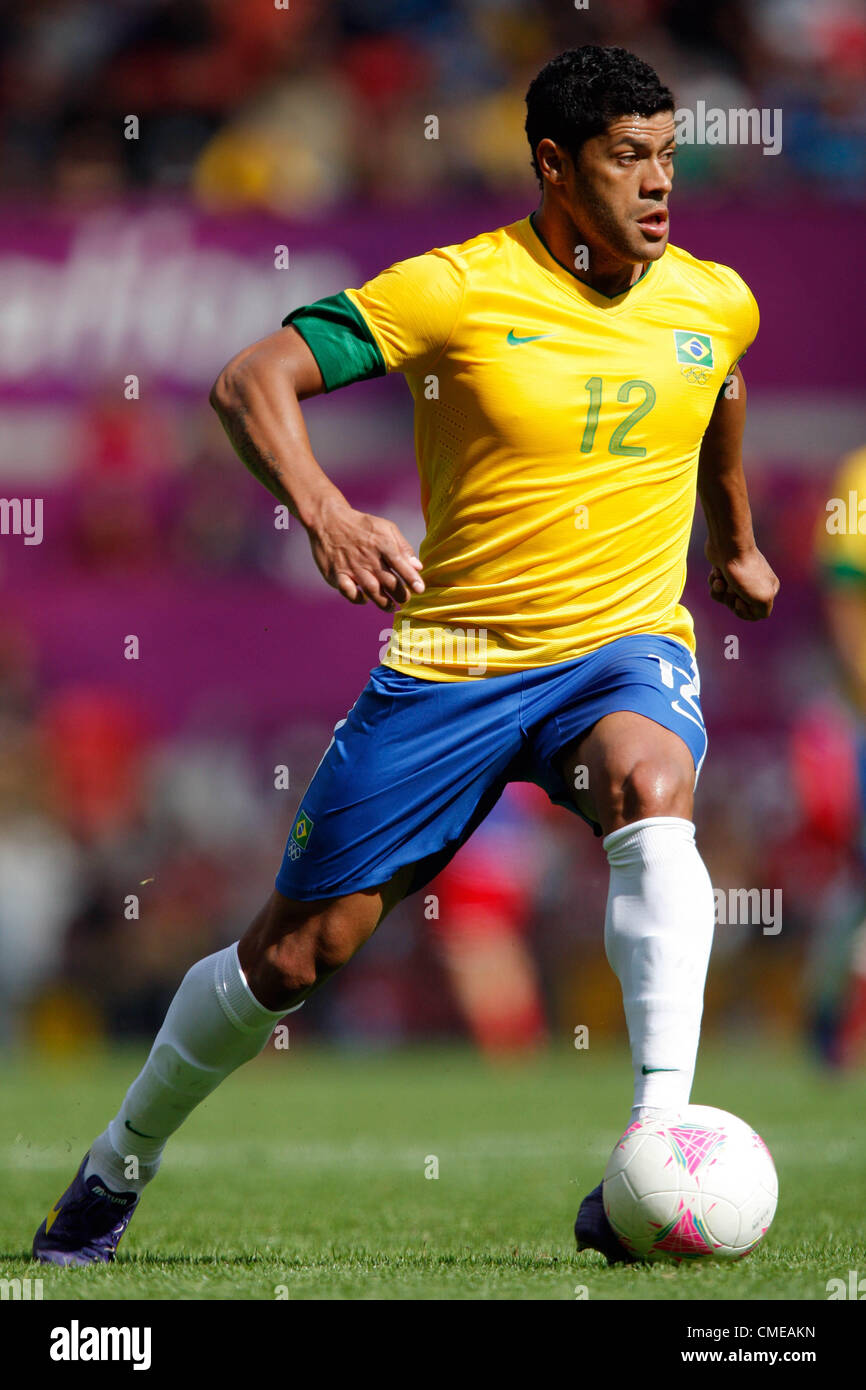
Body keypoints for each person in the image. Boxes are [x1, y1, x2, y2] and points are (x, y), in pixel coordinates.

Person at [34, 45, 778, 1268]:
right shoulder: (455, 288)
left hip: (619, 647)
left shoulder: (711, 294)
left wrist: (736, 541)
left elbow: (718, 386)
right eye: (626, 157)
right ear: (552, 164)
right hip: (454, 665)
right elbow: (247, 379)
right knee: (292, 954)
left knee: (654, 788)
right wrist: (326, 511)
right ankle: (116, 1164)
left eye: (666, 155)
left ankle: (650, 1147)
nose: (658, 183)